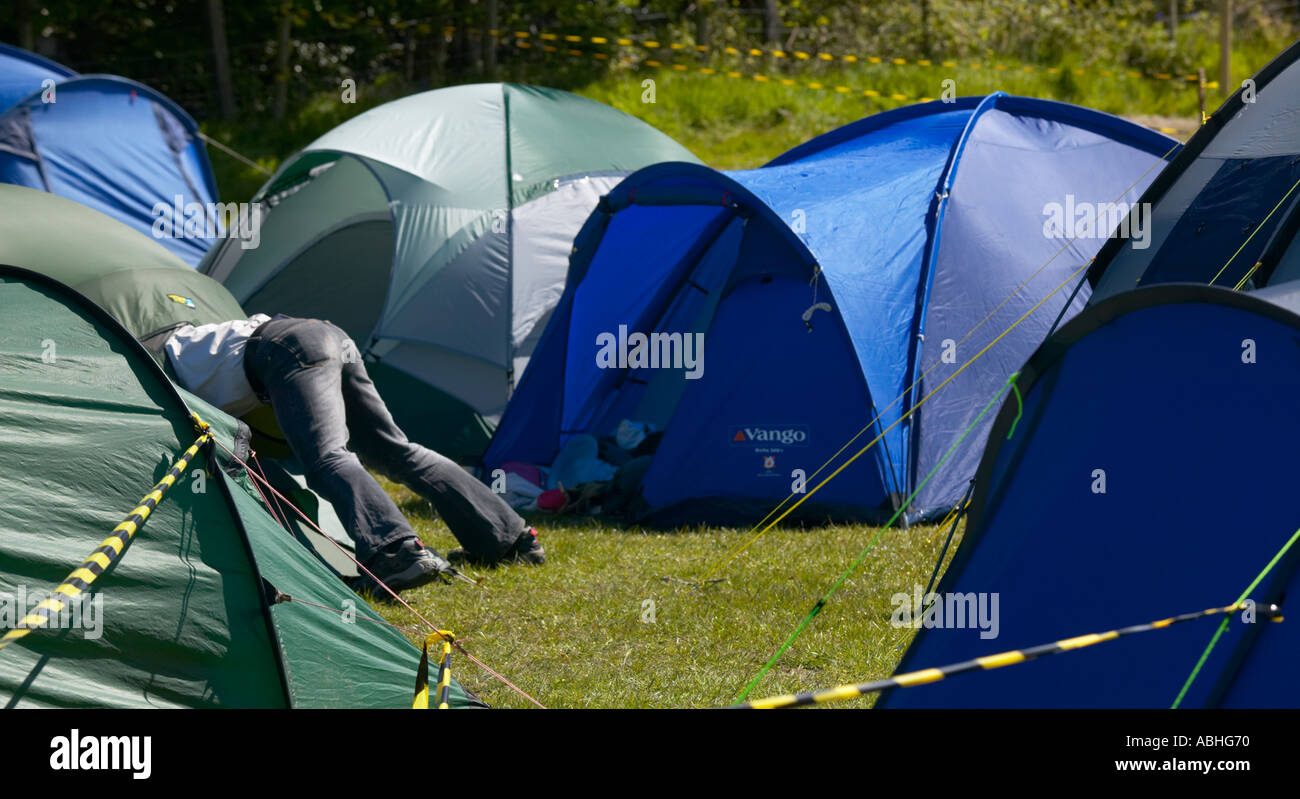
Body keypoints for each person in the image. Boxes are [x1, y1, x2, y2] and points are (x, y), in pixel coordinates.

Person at [163, 313, 544, 594]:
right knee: (394, 450)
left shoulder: (158, 370)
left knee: (327, 457)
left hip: (288, 349)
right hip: (325, 335)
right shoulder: (190, 338)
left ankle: (397, 552)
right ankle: (510, 539)